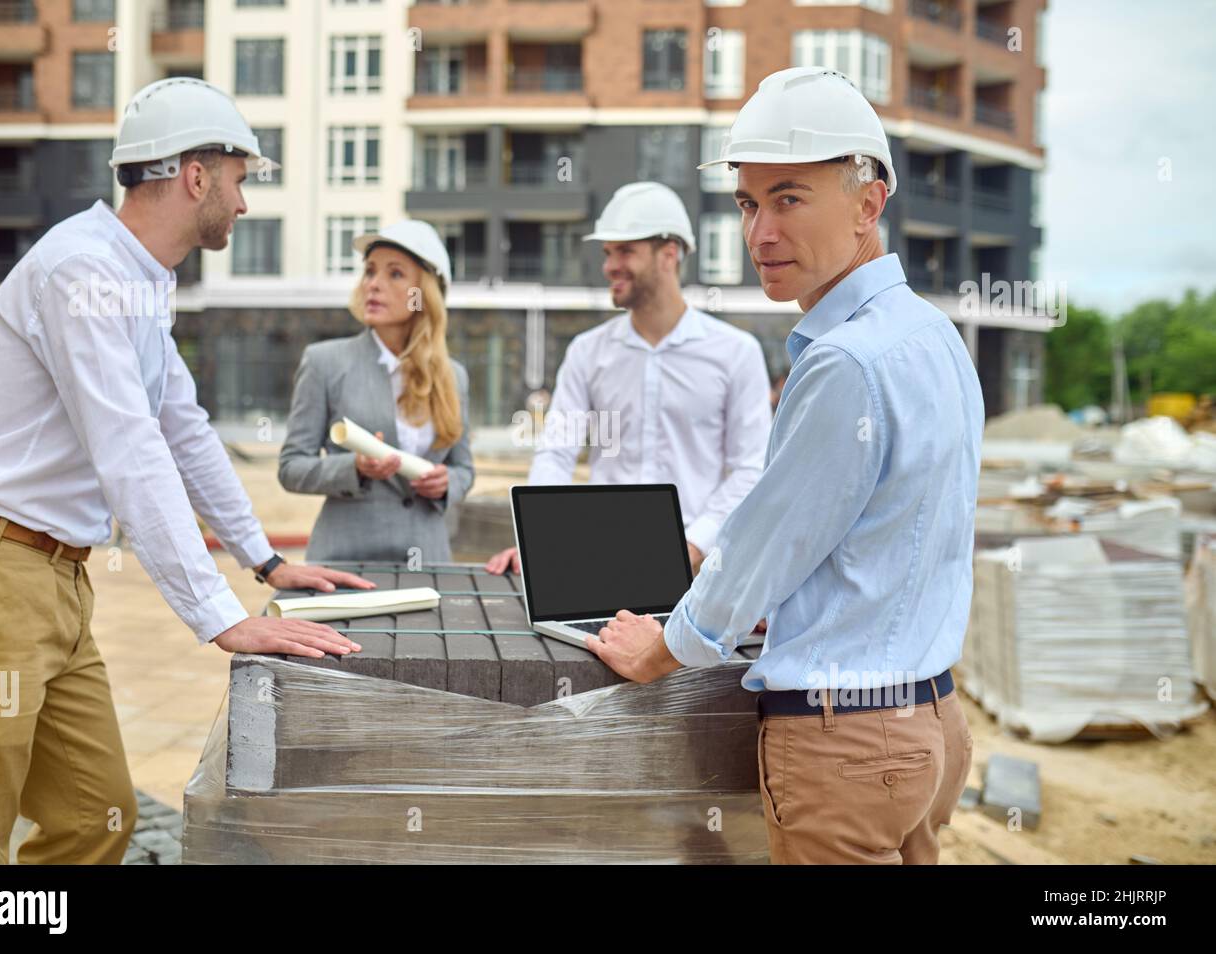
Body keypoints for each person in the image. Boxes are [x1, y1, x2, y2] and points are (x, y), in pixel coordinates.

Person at [0, 78, 370, 865]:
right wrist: (218, 615)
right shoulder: (81, 275)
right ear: (195, 176)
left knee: (100, 816)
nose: (244, 203)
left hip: (55, 583)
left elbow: (184, 431)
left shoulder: (138, 280)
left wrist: (263, 559)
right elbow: (128, 446)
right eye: (239, 179)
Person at [586, 67, 984, 865]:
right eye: (748, 203)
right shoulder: (933, 336)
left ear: (869, 204)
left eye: (790, 199)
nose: (760, 233)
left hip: (846, 747)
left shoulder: (845, 363)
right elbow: (887, 532)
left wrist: (661, 647)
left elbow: (760, 549)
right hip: (931, 721)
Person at [486, 182, 772, 576]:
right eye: (607, 253)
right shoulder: (588, 352)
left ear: (668, 255)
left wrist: (691, 546)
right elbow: (557, 451)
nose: (609, 266)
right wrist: (536, 539)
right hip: (603, 559)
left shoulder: (735, 353)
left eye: (625, 251)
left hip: (701, 568)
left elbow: (750, 468)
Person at [279, 220, 474, 562]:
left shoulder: (453, 377)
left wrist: (448, 484)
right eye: (370, 272)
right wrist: (354, 468)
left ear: (424, 293)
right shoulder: (324, 362)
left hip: (427, 561)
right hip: (345, 561)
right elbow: (291, 468)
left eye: (395, 274)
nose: (374, 285)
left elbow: (464, 469)